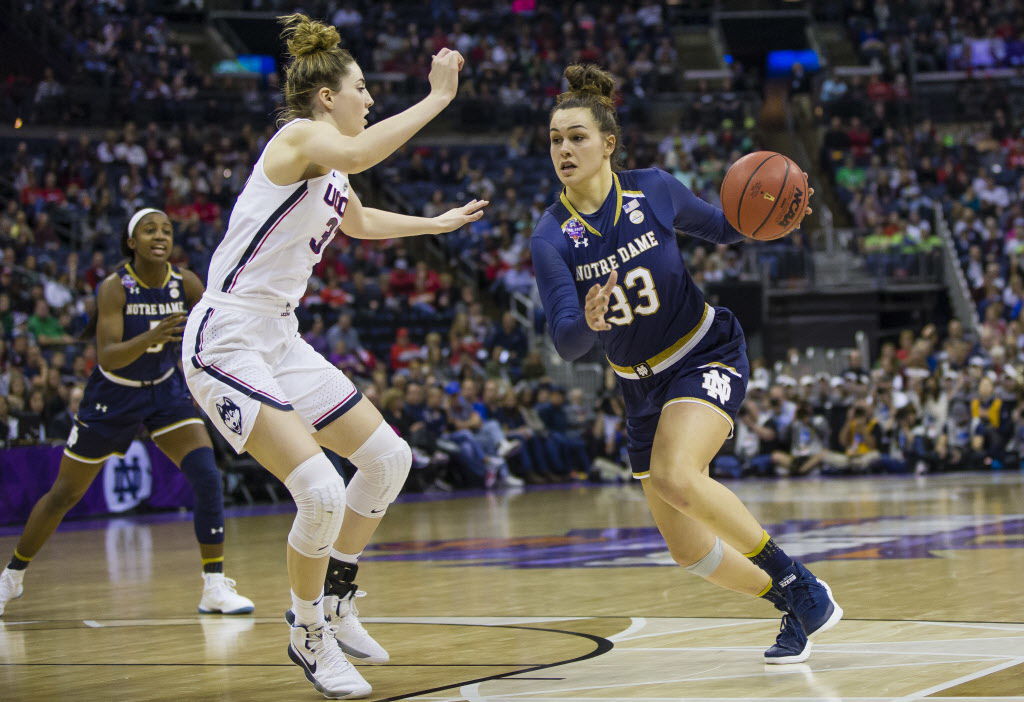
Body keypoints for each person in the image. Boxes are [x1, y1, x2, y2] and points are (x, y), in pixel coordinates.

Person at [181, 14, 483, 699]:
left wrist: (432, 225)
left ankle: (338, 595)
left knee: (388, 459)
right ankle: (307, 632)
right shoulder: (299, 139)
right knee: (317, 489)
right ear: (327, 97)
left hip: (278, 337)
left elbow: (360, 220)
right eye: (362, 88)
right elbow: (359, 155)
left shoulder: (333, 168)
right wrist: (436, 99)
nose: (370, 99)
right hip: (226, 336)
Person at [530, 64, 841, 665]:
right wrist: (589, 323)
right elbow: (566, 342)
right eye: (554, 140)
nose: (563, 149)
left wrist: (777, 213)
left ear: (608, 144)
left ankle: (797, 578)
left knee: (676, 475)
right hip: (636, 389)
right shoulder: (552, 236)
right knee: (690, 552)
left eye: (576, 137)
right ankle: (794, 601)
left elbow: (727, 228)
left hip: (704, 352)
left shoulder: (654, 189)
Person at [0, 209, 254, 619]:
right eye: (149, 230)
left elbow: (213, 329)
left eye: (167, 230)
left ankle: (214, 586)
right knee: (65, 493)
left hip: (165, 394)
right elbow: (109, 357)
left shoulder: (185, 282)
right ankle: (11, 577)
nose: (160, 236)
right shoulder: (115, 288)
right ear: (131, 242)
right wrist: (153, 335)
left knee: (207, 474)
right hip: (113, 397)